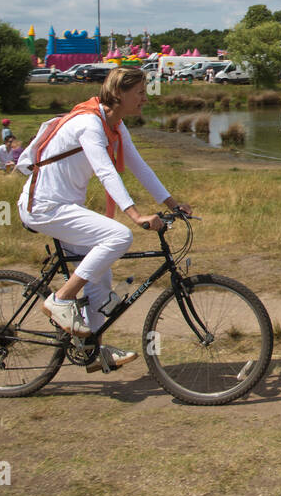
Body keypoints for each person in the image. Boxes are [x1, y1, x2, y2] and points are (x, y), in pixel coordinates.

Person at [15, 67, 190, 371]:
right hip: (44, 207)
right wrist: (135, 216)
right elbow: (105, 171)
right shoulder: (89, 124)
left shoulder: (115, 125)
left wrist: (174, 204)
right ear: (119, 94)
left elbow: (141, 168)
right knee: (119, 236)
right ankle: (61, 299)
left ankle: (93, 350)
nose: (145, 99)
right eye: (140, 93)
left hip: (63, 207)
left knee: (100, 275)